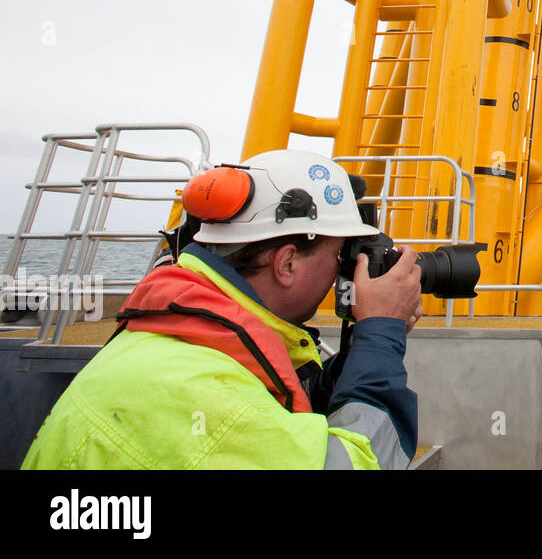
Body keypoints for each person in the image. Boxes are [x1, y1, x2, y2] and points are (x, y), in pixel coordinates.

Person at [22, 149, 423, 470]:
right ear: (285, 263)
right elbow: (361, 462)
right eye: (338, 254)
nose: (344, 269)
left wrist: (366, 339)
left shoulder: (179, 329)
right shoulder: (208, 398)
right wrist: (382, 333)